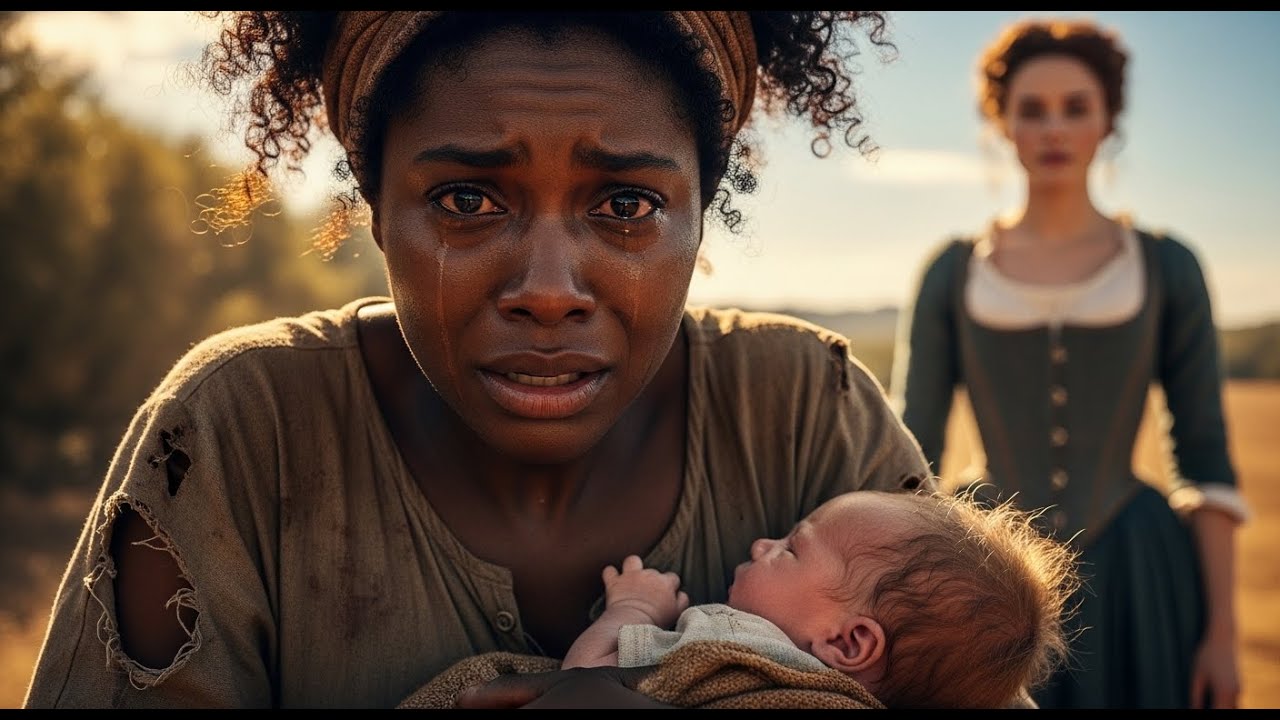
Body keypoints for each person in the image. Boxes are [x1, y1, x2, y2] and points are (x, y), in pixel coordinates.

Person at [23, 11, 938, 709]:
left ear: (703, 213)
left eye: (626, 205)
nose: (548, 288)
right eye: (467, 199)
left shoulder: (807, 410)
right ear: (377, 207)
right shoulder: (240, 428)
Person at [889, 17, 1248, 710]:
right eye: (1032, 110)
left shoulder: (1167, 265)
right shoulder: (951, 271)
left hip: (1141, 574)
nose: (1054, 129)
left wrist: (1224, 634)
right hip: (985, 580)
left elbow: (1203, 453)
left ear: (1109, 121)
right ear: (1002, 125)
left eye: (1075, 108)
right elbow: (911, 458)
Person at [559, 488, 1081, 709]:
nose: (762, 544)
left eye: (790, 550)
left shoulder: (737, 643)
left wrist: (635, 608)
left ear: (848, 641)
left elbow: (580, 680)